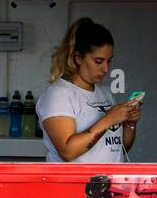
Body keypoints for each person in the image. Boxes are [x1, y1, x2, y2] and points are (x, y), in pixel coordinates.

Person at [36, 18, 143, 163]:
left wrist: (130, 123)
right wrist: (109, 119)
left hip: (109, 183)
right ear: (78, 58)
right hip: (75, 185)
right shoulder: (59, 94)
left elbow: (119, 149)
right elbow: (68, 152)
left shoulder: (104, 92)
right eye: (98, 61)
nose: (106, 69)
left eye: (109, 61)